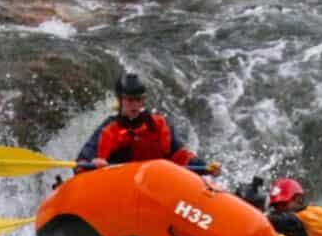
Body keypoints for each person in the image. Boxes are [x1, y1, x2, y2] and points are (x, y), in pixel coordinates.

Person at [75, 72, 220, 175]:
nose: (135, 105)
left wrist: (205, 167)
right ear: (120, 100)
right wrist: (93, 165)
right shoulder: (109, 130)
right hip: (121, 190)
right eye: (130, 100)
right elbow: (81, 163)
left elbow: (180, 156)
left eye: (139, 99)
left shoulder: (158, 124)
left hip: (153, 190)